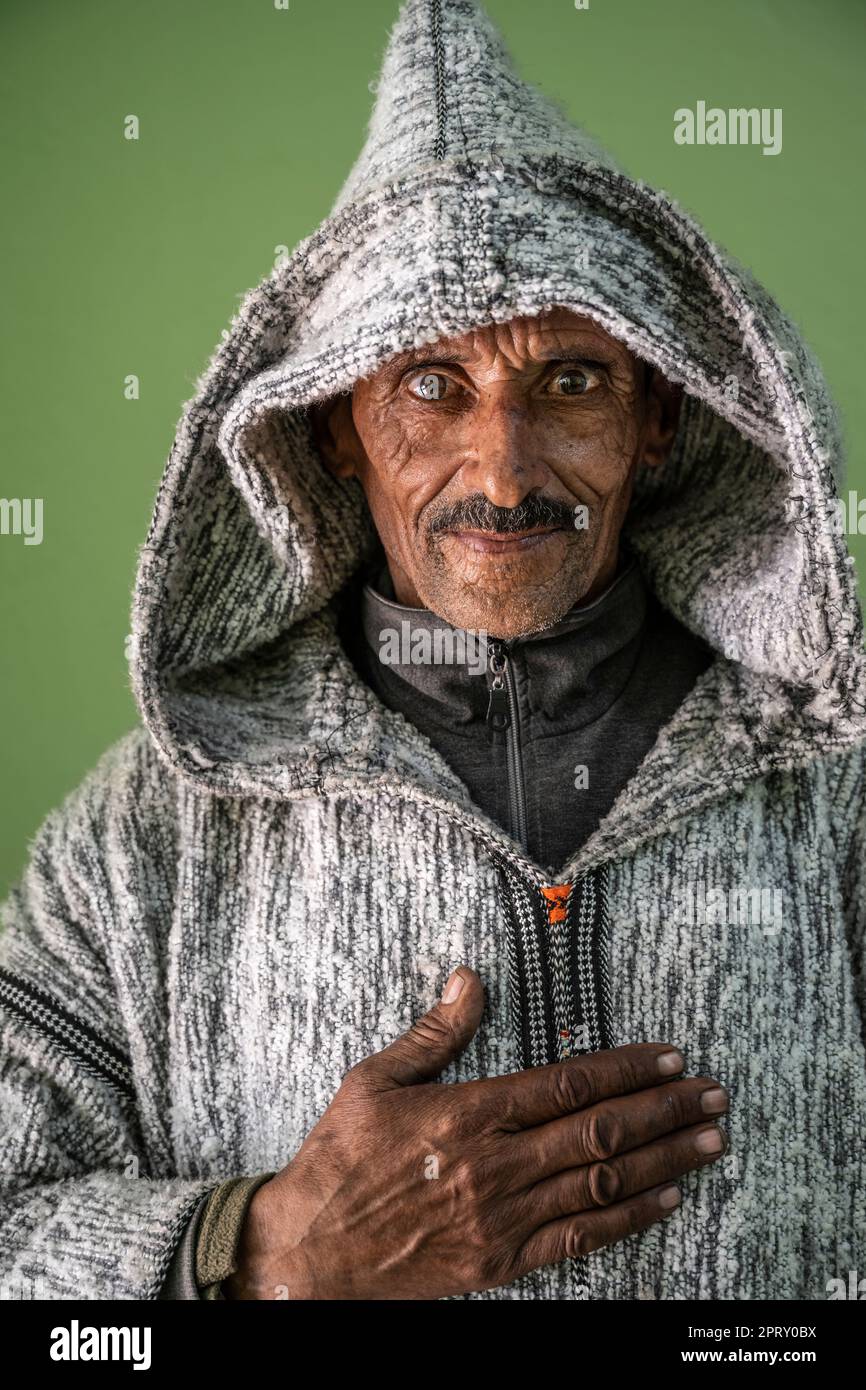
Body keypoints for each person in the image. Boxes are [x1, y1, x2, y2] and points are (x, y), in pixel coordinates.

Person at [1, 0, 864, 1302]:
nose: (502, 472)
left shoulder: (837, 791)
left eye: (570, 380)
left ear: (660, 424)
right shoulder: (147, 839)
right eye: (427, 386)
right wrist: (261, 1249)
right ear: (332, 429)